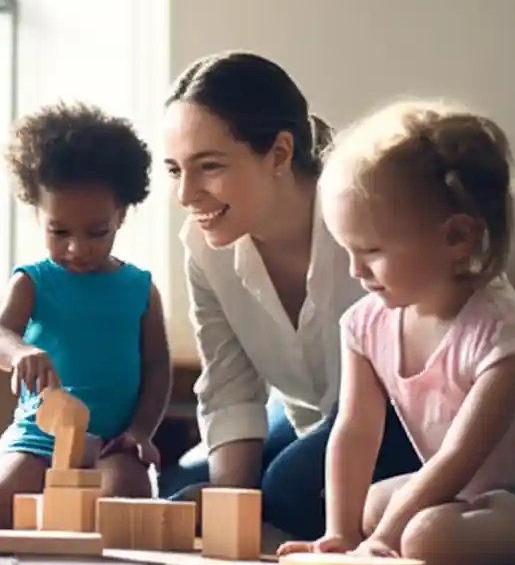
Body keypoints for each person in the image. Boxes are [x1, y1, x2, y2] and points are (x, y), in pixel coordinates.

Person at [278, 100, 515, 565]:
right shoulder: (363, 324)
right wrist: (342, 534)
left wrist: (382, 541)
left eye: (372, 251)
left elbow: (461, 454)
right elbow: (355, 431)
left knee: (421, 535)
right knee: (375, 504)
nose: (356, 271)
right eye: (346, 250)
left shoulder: (505, 333)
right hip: (465, 495)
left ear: (457, 238)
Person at [159, 52, 420, 540]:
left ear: (279, 153)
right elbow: (230, 382)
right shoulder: (202, 247)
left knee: (287, 489)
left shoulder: (367, 212)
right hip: (308, 415)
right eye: (175, 170)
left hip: (400, 420)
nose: (186, 195)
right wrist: (229, 509)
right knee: (181, 489)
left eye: (209, 167)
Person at [0, 102, 171, 529]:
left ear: (122, 215)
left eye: (96, 232)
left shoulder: (140, 289)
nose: (77, 248)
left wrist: (140, 432)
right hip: (40, 436)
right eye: (59, 231)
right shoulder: (33, 281)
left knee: (125, 508)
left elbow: (157, 369)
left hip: (112, 442)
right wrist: (20, 351)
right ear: (37, 214)